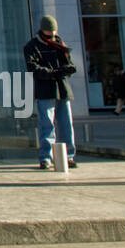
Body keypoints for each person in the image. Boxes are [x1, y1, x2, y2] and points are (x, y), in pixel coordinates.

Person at [23, 16, 77, 169]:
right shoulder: (32, 46)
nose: (52, 35)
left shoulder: (60, 44)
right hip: (46, 89)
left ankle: (68, 155)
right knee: (47, 124)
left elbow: (69, 64)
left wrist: (62, 71)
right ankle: (46, 156)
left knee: (66, 123)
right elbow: (33, 67)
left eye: (54, 32)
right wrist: (54, 72)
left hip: (62, 88)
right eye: (49, 32)